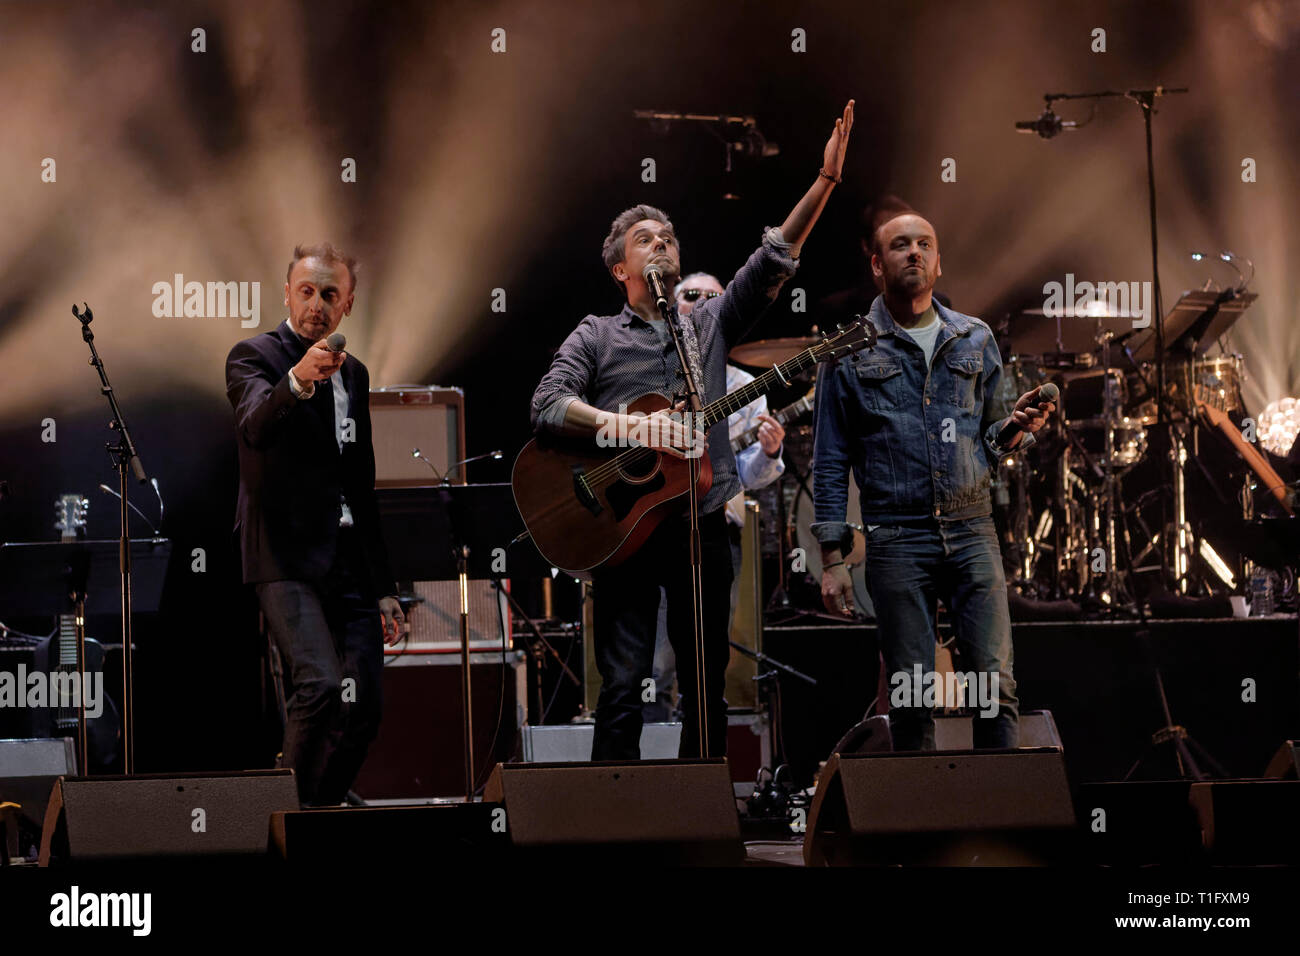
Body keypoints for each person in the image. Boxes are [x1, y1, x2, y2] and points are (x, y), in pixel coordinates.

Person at [531, 101, 854, 759]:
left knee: (705, 686)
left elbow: (774, 259)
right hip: (621, 529)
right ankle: (617, 822)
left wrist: (824, 183)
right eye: (645, 239)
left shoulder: (705, 327)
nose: (662, 243)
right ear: (620, 269)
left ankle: (703, 823)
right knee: (622, 685)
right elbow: (547, 404)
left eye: (669, 236)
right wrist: (626, 427)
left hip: (700, 526)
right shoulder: (595, 335)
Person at [812, 212, 1054, 750]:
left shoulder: (975, 338)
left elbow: (995, 442)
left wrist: (1017, 428)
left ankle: (1001, 816)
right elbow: (829, 460)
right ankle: (918, 826)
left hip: (972, 530)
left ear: (939, 262)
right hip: (897, 538)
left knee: (994, 685)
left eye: (925, 245)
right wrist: (832, 560)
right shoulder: (848, 351)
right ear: (878, 265)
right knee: (912, 695)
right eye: (901, 246)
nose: (915, 253)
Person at [226, 242, 406, 806]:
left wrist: (384, 589)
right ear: (287, 293)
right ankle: (288, 818)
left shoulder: (355, 374)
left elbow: (362, 483)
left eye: (331, 294)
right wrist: (299, 382)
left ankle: (318, 807)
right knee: (320, 686)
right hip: (282, 553)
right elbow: (256, 426)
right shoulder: (252, 356)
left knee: (367, 704)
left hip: (348, 556)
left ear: (348, 304)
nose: (316, 305)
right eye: (306, 291)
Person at [641, 273, 786, 724]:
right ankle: (655, 765)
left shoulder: (744, 385)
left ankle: (701, 768)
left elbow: (747, 477)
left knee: (707, 659)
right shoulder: (648, 370)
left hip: (717, 528)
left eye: (714, 297)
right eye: (691, 295)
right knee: (657, 661)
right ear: (673, 303)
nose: (702, 302)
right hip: (657, 525)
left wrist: (770, 452)